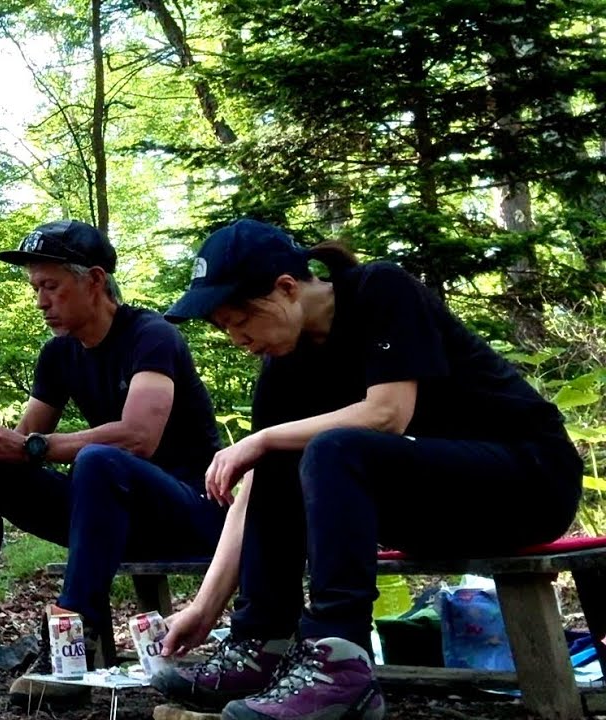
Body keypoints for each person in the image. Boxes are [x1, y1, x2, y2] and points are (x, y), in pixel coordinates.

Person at [151, 218, 583, 720]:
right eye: (224, 328)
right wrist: (206, 607)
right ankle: (259, 647)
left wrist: (262, 440)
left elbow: (388, 413)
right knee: (285, 460)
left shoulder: (380, 289)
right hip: (438, 506)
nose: (237, 339)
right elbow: (257, 495)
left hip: (528, 482)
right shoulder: (282, 368)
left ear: (286, 288)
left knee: (334, 449)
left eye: (240, 320)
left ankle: (340, 667)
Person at [0, 219, 227, 707]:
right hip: (108, 516)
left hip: (190, 510)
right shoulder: (58, 354)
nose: (41, 301)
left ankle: (80, 639)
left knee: (101, 460)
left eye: (51, 286)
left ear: (95, 280)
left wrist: (31, 447)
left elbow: (138, 438)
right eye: (36, 287)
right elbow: (22, 447)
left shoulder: (152, 336)